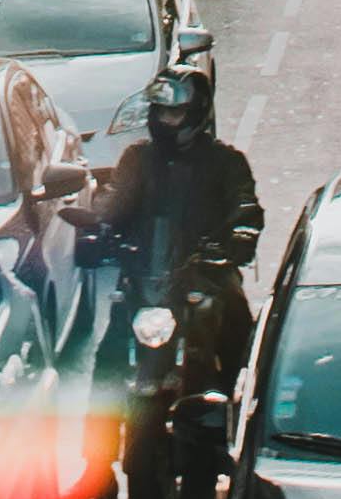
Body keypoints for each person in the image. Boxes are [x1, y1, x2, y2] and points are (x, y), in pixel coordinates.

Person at [91, 62, 267, 382]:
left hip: (206, 272)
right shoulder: (137, 158)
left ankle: (242, 398)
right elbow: (115, 199)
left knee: (240, 333)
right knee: (109, 355)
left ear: (196, 113)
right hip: (147, 276)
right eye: (161, 111)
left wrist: (240, 236)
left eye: (175, 113)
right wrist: (99, 228)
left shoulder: (225, 161)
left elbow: (245, 204)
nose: (166, 120)